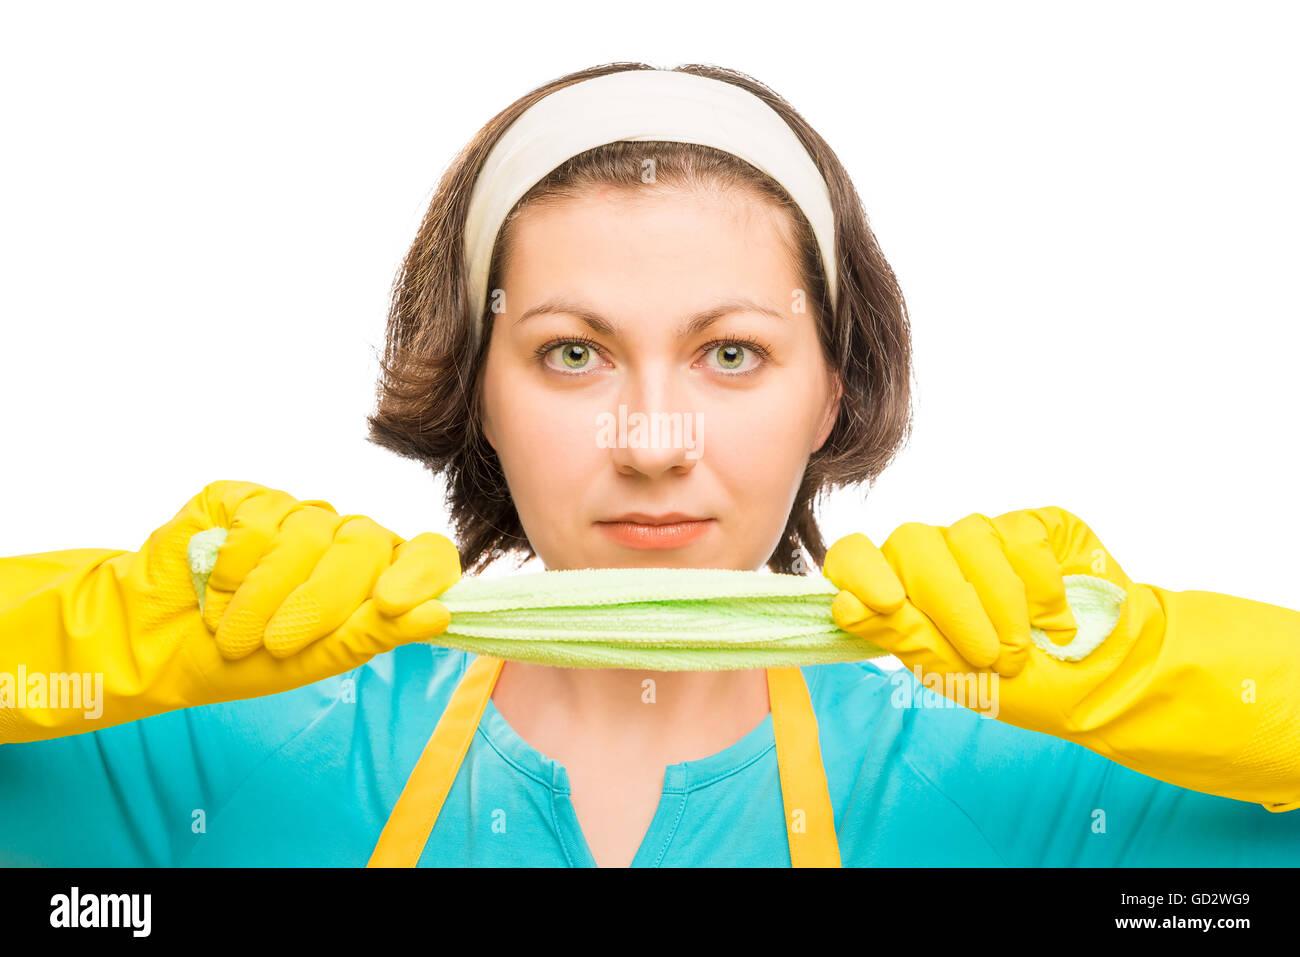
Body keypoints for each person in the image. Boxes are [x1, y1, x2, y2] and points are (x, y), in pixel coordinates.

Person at [2, 62, 1298, 868]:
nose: (653, 438)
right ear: (481, 395)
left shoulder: (1017, 783)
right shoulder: (228, 759)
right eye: (573, 355)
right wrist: (102, 633)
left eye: (732, 355)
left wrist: (1151, 662)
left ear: (830, 393)